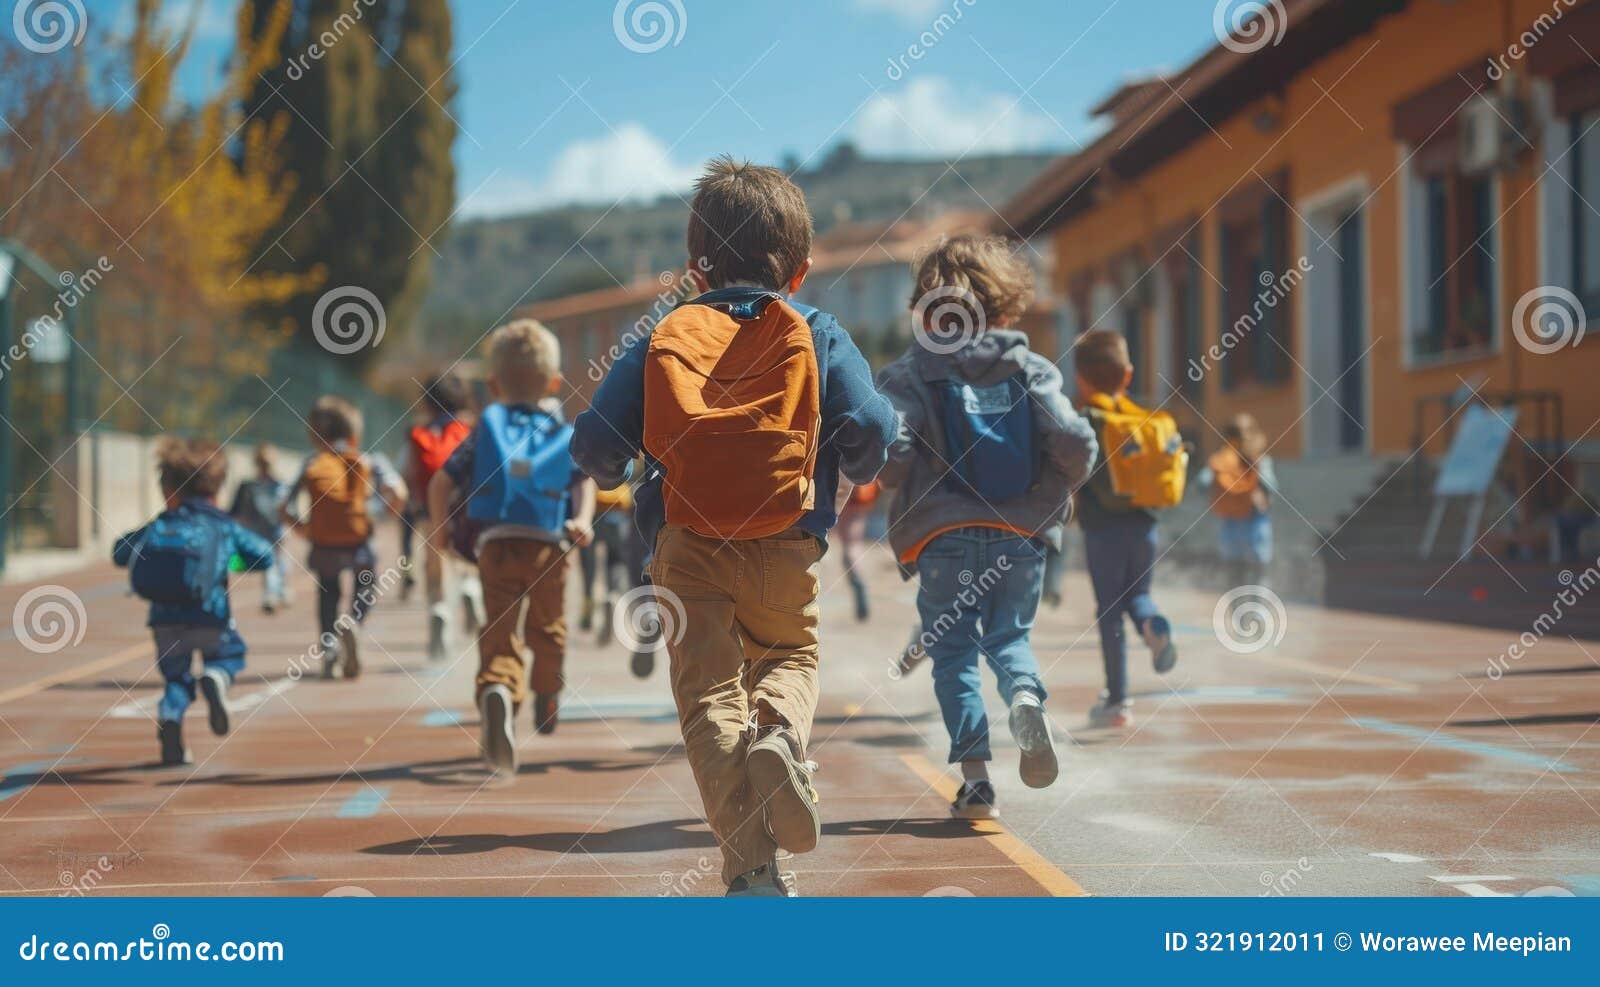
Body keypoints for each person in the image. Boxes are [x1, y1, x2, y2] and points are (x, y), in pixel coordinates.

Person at [571, 156, 897, 897]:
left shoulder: (666, 330)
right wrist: (840, 467)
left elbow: (594, 444)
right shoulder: (815, 328)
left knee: (709, 699)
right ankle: (781, 735)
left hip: (686, 545)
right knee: (790, 652)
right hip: (785, 539)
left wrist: (620, 476)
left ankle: (752, 871)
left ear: (694, 267)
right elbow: (873, 427)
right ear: (801, 269)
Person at [876, 233, 1096, 819]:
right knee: (1009, 639)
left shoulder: (911, 372)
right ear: (1004, 303)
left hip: (943, 539)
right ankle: (1025, 696)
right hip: (1021, 536)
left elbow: (892, 456)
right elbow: (1073, 441)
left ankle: (976, 783)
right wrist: (1060, 485)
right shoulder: (1030, 366)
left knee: (952, 655)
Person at [429, 320, 596, 777]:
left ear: (494, 384)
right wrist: (580, 519)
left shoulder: (486, 427)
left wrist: (441, 528)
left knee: (499, 627)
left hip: (494, 545)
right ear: (555, 382)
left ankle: (499, 688)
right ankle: (546, 692)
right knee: (550, 629)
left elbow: (444, 478)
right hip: (550, 549)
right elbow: (583, 482)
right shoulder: (564, 430)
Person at [114, 438, 276, 766]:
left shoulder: (158, 525)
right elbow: (264, 556)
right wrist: (232, 562)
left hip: (164, 621)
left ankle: (171, 719)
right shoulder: (222, 525)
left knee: (177, 679)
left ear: (168, 488)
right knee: (231, 654)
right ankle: (217, 677)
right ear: (216, 486)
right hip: (211, 616)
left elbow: (120, 551)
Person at [1074, 330, 1184, 730]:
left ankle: (1118, 700)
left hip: (1103, 531)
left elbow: (1075, 471)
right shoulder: (1144, 420)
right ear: (1129, 374)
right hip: (1144, 526)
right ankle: (1155, 627)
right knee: (1139, 596)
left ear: (1081, 379)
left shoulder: (1088, 419)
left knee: (1109, 612)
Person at [280, 396, 407, 680]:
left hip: (323, 543)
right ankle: (355, 624)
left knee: (328, 593)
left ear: (315, 434)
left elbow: (283, 504)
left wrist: (305, 529)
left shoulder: (311, 463)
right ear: (353, 432)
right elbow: (398, 492)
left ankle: (329, 651)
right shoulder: (368, 460)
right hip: (359, 541)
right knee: (366, 586)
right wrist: (379, 517)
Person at [404, 372, 473, 661]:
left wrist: (413, 504)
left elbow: (408, 473)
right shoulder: (468, 431)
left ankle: (439, 611)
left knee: (435, 570)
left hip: (430, 512)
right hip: (464, 510)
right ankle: (471, 589)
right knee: (468, 561)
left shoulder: (418, 435)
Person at [1197, 413, 1276, 591]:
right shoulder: (1260, 460)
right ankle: (1255, 613)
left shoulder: (1221, 460)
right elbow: (1272, 488)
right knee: (1257, 572)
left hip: (1234, 522)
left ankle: (1239, 611)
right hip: (1253, 521)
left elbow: (1201, 484)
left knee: (1237, 572)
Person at [228, 443, 289, 613]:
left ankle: (281, 589)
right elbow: (235, 510)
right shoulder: (248, 487)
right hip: (256, 531)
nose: (265, 467)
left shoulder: (280, 486)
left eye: (267, 464)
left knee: (279, 560)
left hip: (276, 529)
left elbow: (289, 508)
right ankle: (271, 593)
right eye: (262, 463)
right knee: (270, 562)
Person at [836, 477, 879, 622]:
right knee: (854, 542)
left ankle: (858, 580)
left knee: (850, 545)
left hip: (850, 487)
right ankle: (858, 579)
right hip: (863, 487)